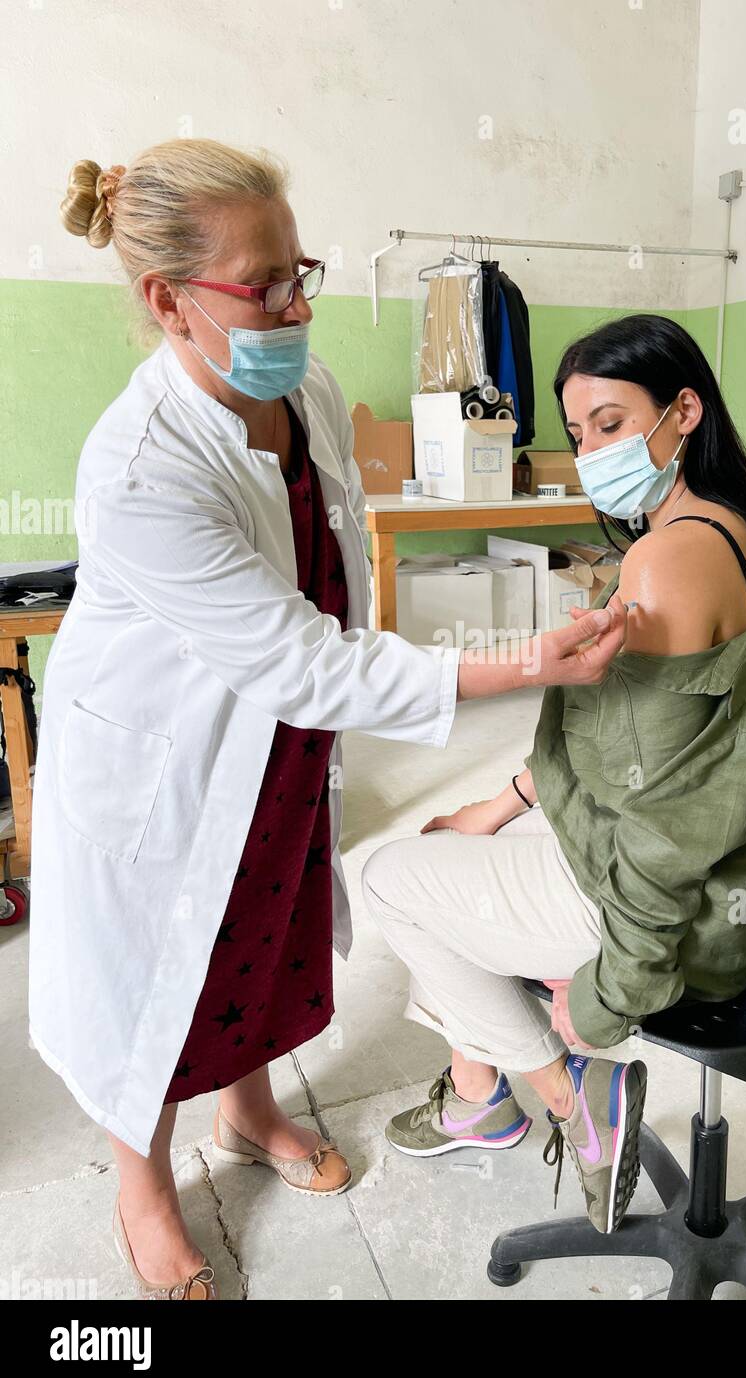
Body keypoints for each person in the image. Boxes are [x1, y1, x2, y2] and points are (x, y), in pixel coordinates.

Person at [30, 139, 626, 1300]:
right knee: (158, 972)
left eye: (299, 270)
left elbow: (333, 578)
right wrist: (517, 664)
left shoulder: (296, 388)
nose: (299, 305)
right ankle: (142, 1188)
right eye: (267, 285)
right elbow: (304, 659)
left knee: (266, 935)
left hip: (283, 748)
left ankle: (249, 1111)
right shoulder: (141, 465)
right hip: (168, 759)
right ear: (167, 300)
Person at [362, 314, 746, 1237]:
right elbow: (630, 753)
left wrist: (613, 991)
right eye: (577, 434)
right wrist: (500, 804)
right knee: (456, 844)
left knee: (383, 878)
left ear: (682, 410)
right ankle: (477, 1090)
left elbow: (670, 825)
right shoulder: (739, 524)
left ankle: (567, 1096)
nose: (592, 450)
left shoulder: (668, 559)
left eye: (611, 424)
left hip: (681, 913)